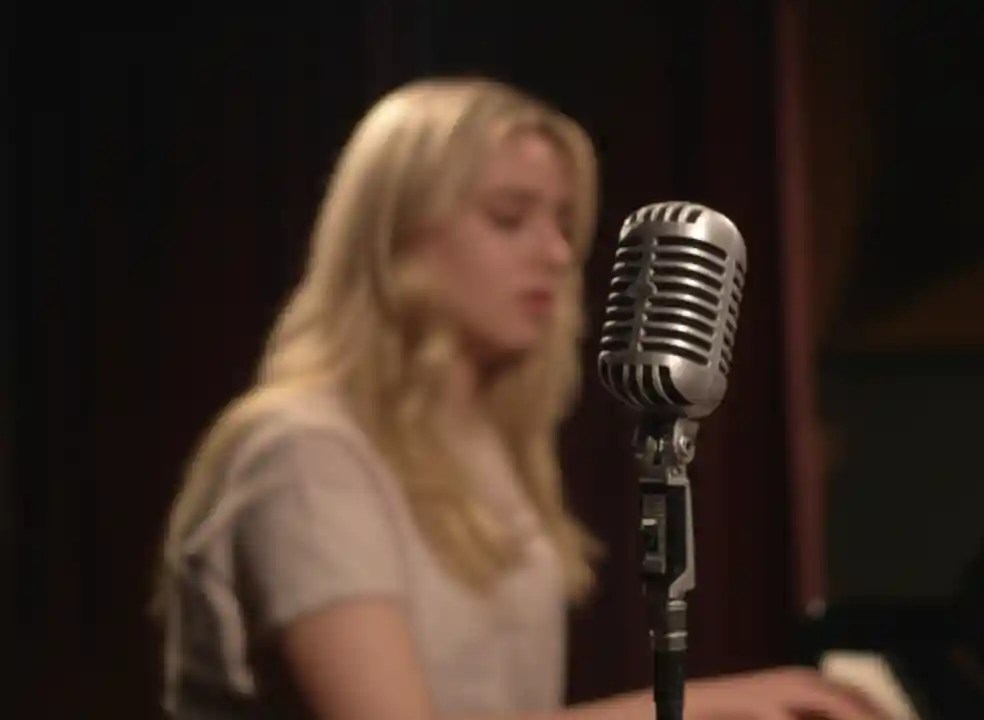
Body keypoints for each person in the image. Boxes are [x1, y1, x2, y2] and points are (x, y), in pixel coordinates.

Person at [154, 76, 888, 720]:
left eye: (564, 224)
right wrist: (698, 708)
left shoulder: (489, 447)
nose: (558, 254)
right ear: (393, 236)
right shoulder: (301, 452)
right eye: (510, 218)